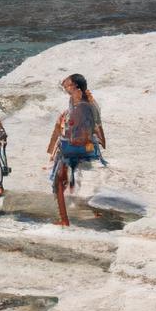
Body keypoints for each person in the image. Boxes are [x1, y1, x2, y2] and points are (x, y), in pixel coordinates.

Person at [46, 74, 106, 227]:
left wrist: (65, 123)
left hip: (76, 147)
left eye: (67, 85)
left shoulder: (82, 104)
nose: (65, 88)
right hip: (84, 145)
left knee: (58, 181)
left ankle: (64, 220)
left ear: (76, 87)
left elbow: (80, 127)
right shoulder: (84, 100)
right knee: (64, 177)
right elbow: (96, 124)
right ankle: (78, 213)